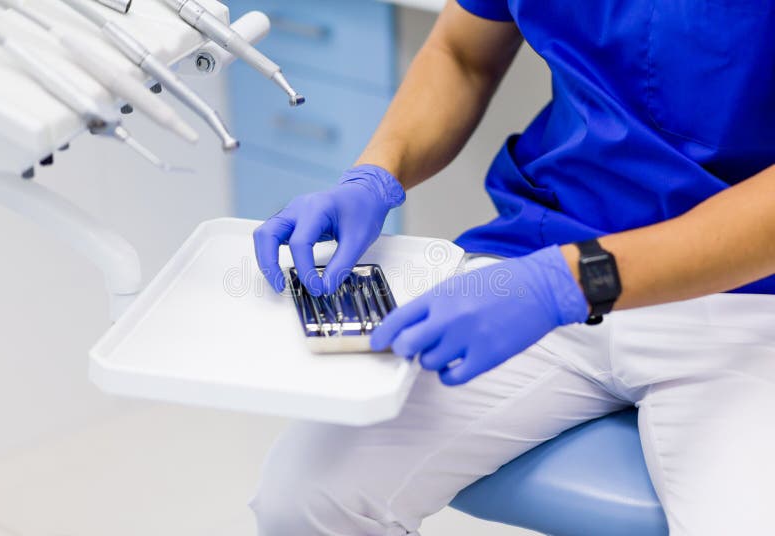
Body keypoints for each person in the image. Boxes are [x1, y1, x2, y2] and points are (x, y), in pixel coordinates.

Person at [250, 1, 775, 534]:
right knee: (303, 499)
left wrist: (564, 284)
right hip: (536, 257)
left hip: (744, 299)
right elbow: (462, 53)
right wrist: (375, 176)